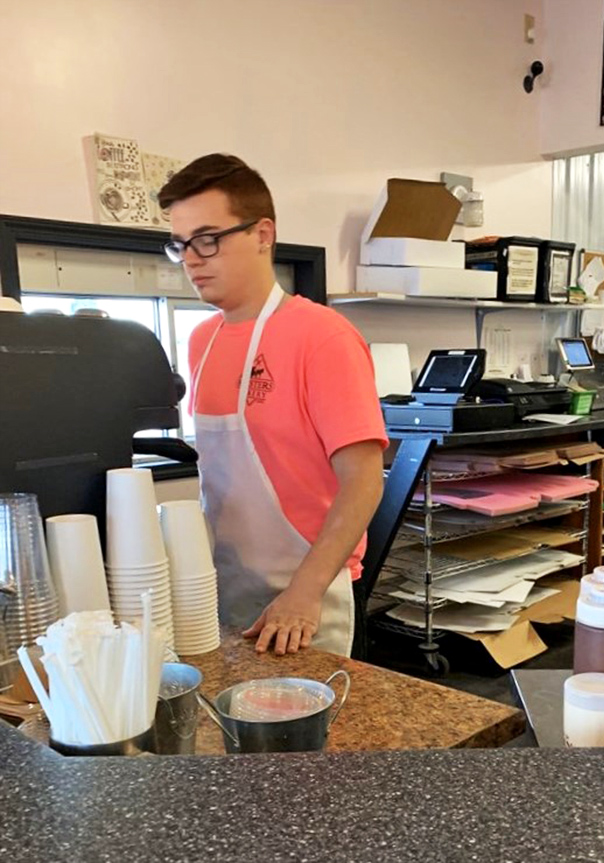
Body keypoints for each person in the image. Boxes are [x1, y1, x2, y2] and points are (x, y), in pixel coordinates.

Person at [158, 154, 387, 658]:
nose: (192, 259)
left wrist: (303, 594)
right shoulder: (202, 341)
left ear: (262, 234)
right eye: (180, 246)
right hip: (224, 584)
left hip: (309, 595)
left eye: (208, 239)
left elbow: (365, 481)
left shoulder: (322, 336)